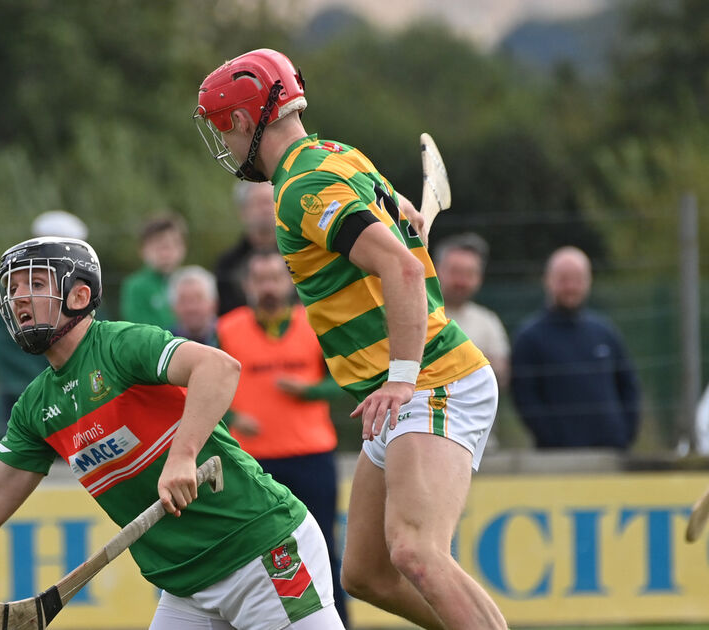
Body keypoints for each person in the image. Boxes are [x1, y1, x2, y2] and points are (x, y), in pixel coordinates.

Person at [0, 236, 346, 630]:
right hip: (185, 583)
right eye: (11, 289)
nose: (17, 298)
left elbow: (218, 368)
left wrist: (183, 455)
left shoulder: (121, 345)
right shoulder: (36, 407)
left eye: (32, 283)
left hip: (259, 548)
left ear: (78, 293)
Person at [194, 49, 506, 629]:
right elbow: (407, 219)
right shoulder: (336, 155)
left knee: (416, 551)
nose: (227, 147)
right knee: (365, 572)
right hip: (400, 393)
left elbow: (406, 270)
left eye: (222, 130)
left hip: (429, 382)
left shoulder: (300, 188)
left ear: (241, 121)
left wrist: (402, 378)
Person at [218, 250, 350, 627]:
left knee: (322, 550)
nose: (268, 288)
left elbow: (347, 378)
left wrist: (310, 391)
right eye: (259, 280)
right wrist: (231, 415)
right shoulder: (227, 329)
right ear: (247, 286)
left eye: (275, 279)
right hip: (251, 463)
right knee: (246, 558)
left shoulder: (315, 323)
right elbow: (198, 384)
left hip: (311, 456)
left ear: (290, 284)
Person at [510, 246, 641, 450]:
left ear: (589, 281)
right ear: (547, 281)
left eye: (578, 279)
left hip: (612, 451)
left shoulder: (605, 332)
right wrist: (553, 439)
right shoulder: (529, 338)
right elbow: (525, 398)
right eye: (563, 279)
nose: (571, 286)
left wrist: (625, 434)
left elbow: (628, 385)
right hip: (558, 458)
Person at [0, 210, 89, 443]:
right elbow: (3, 355)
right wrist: (51, 388)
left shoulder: (86, 297)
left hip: (78, 410)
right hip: (22, 401)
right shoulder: (11, 299)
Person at [434, 233, 511, 387]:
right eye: (455, 272)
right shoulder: (417, 315)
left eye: (469, 274)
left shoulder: (488, 321)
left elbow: (502, 374)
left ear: (479, 278)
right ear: (436, 270)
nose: (461, 281)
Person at [215, 181, 279, 315]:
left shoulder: (301, 255)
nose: (265, 209)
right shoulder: (227, 265)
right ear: (242, 212)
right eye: (258, 203)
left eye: (270, 201)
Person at [120, 213, 187, 328]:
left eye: (172, 244)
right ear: (142, 250)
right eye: (158, 246)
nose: (166, 253)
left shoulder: (191, 282)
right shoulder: (136, 286)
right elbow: (140, 331)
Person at [167, 265, 219, 347]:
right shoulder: (165, 345)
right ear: (173, 307)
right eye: (183, 300)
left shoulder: (229, 338)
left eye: (198, 299)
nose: (191, 308)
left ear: (213, 303)